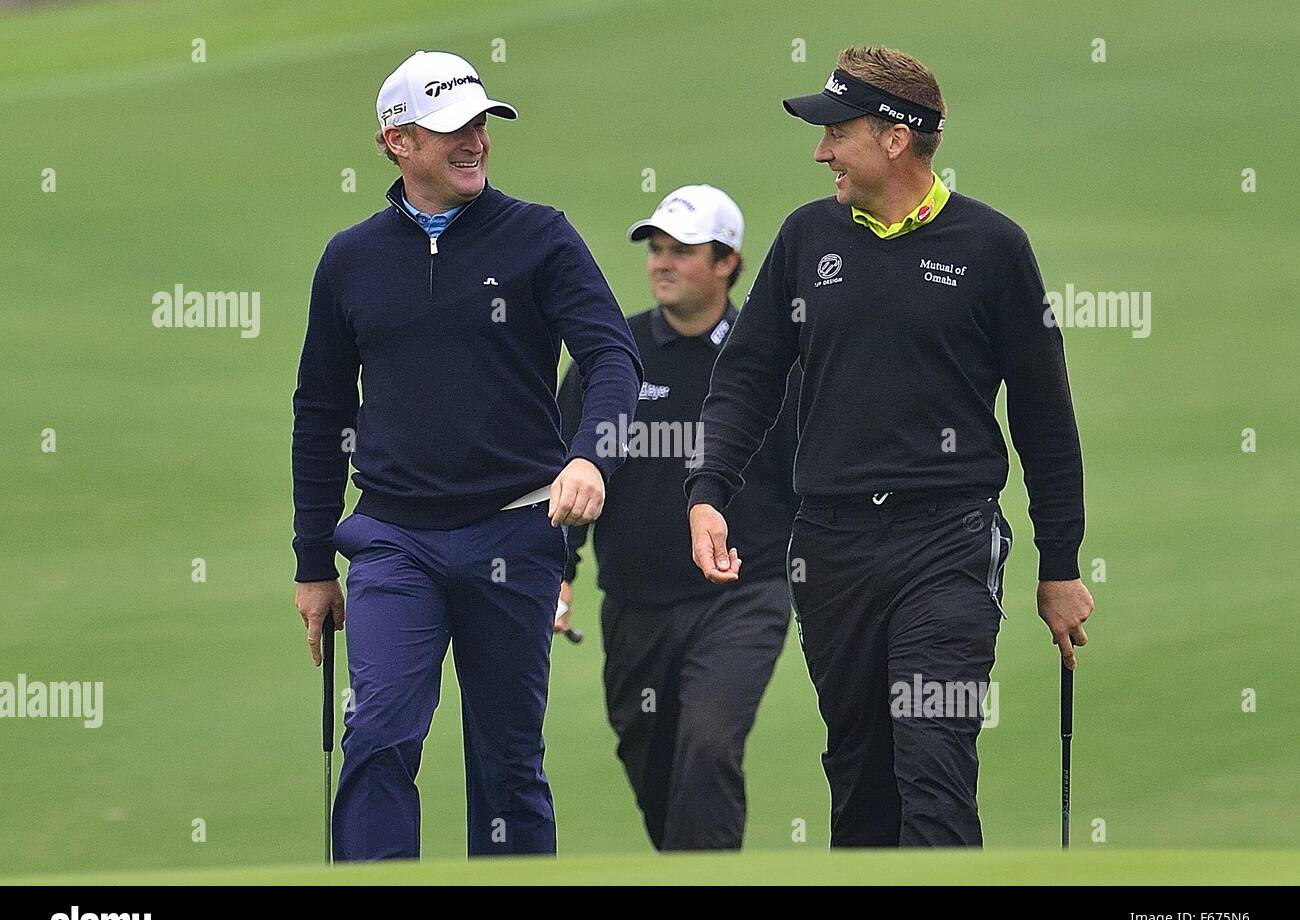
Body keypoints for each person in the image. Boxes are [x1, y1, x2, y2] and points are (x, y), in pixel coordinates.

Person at [685, 47, 1095, 847]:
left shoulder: (991, 246)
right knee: (861, 776)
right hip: (832, 547)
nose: (821, 151)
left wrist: (1061, 563)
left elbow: (1045, 416)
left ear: (895, 139)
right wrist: (708, 492)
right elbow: (747, 378)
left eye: (837, 132)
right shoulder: (808, 239)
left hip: (947, 540)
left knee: (933, 763)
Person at [291, 50, 642, 859]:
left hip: (514, 535)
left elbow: (613, 359)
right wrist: (314, 563)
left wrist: (591, 457)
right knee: (377, 733)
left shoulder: (540, 238)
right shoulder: (351, 259)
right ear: (397, 142)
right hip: (391, 541)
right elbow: (320, 414)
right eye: (452, 128)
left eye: (481, 123)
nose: (474, 141)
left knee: (508, 763)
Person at [557, 186, 800, 850]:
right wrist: (559, 570)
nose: (662, 263)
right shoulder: (613, 361)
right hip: (635, 605)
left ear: (727, 263)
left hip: (742, 596)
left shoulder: (772, 357)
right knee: (656, 768)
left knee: (708, 744)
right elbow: (570, 476)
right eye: (656, 249)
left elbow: (808, 478)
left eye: (683, 251)